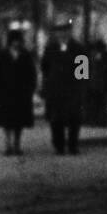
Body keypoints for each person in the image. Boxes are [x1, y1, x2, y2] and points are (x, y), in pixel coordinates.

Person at [40, 19, 87, 154]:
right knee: (56, 120)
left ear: (70, 32)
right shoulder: (50, 49)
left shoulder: (79, 49)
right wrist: (47, 86)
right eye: (59, 31)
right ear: (56, 33)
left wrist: (80, 90)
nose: (62, 34)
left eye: (65, 31)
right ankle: (59, 145)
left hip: (73, 91)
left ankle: (73, 145)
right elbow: (45, 69)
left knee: (74, 119)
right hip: (55, 91)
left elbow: (83, 73)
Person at [0, 30, 36, 155]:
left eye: (18, 40)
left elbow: (31, 74)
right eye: (14, 40)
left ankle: (17, 144)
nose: (16, 43)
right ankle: (8, 144)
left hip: (21, 93)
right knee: (7, 121)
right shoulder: (2, 54)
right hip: (6, 92)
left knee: (19, 121)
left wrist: (30, 88)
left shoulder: (25, 55)